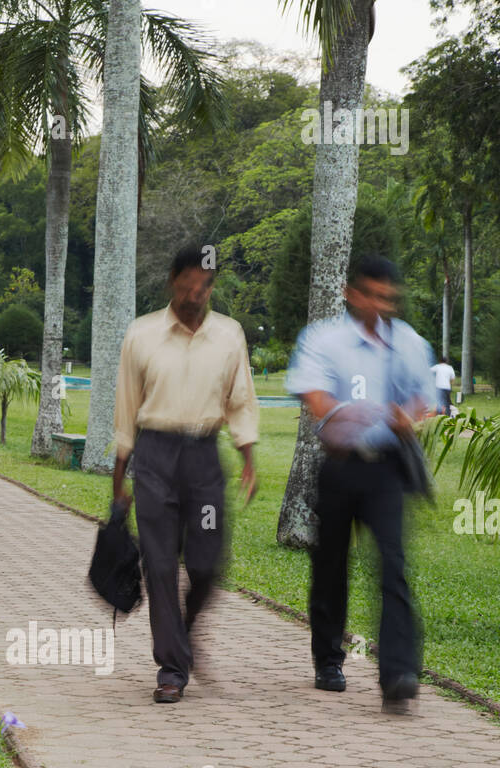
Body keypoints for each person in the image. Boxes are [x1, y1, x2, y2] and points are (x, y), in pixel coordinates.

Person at [286, 254, 434, 713]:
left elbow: (423, 398)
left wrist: (407, 415)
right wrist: (341, 410)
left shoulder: (408, 343)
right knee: (330, 563)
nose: (378, 305)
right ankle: (328, 660)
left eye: (386, 297)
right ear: (352, 294)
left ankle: (398, 673)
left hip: (386, 467)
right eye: (370, 294)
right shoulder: (325, 340)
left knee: (393, 561)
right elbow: (312, 393)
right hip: (339, 465)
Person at [112, 244, 259, 703]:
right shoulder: (142, 334)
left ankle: (184, 634)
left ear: (212, 286)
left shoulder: (230, 335)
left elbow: (241, 399)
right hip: (154, 459)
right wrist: (120, 478)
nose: (195, 292)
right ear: (173, 282)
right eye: (187, 283)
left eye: (204, 284)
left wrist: (248, 455)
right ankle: (172, 668)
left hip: (203, 464)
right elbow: (127, 408)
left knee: (206, 561)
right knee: (158, 564)